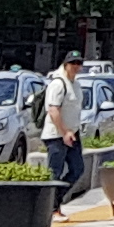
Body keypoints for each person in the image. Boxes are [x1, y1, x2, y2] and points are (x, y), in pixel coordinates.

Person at [45, 55, 88, 187]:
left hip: (73, 133)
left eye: (78, 63)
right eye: (72, 63)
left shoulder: (76, 84)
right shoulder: (58, 84)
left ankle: (56, 199)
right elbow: (53, 110)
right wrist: (64, 132)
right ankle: (50, 205)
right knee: (54, 173)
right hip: (57, 135)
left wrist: (71, 133)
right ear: (65, 64)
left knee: (77, 169)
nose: (75, 66)